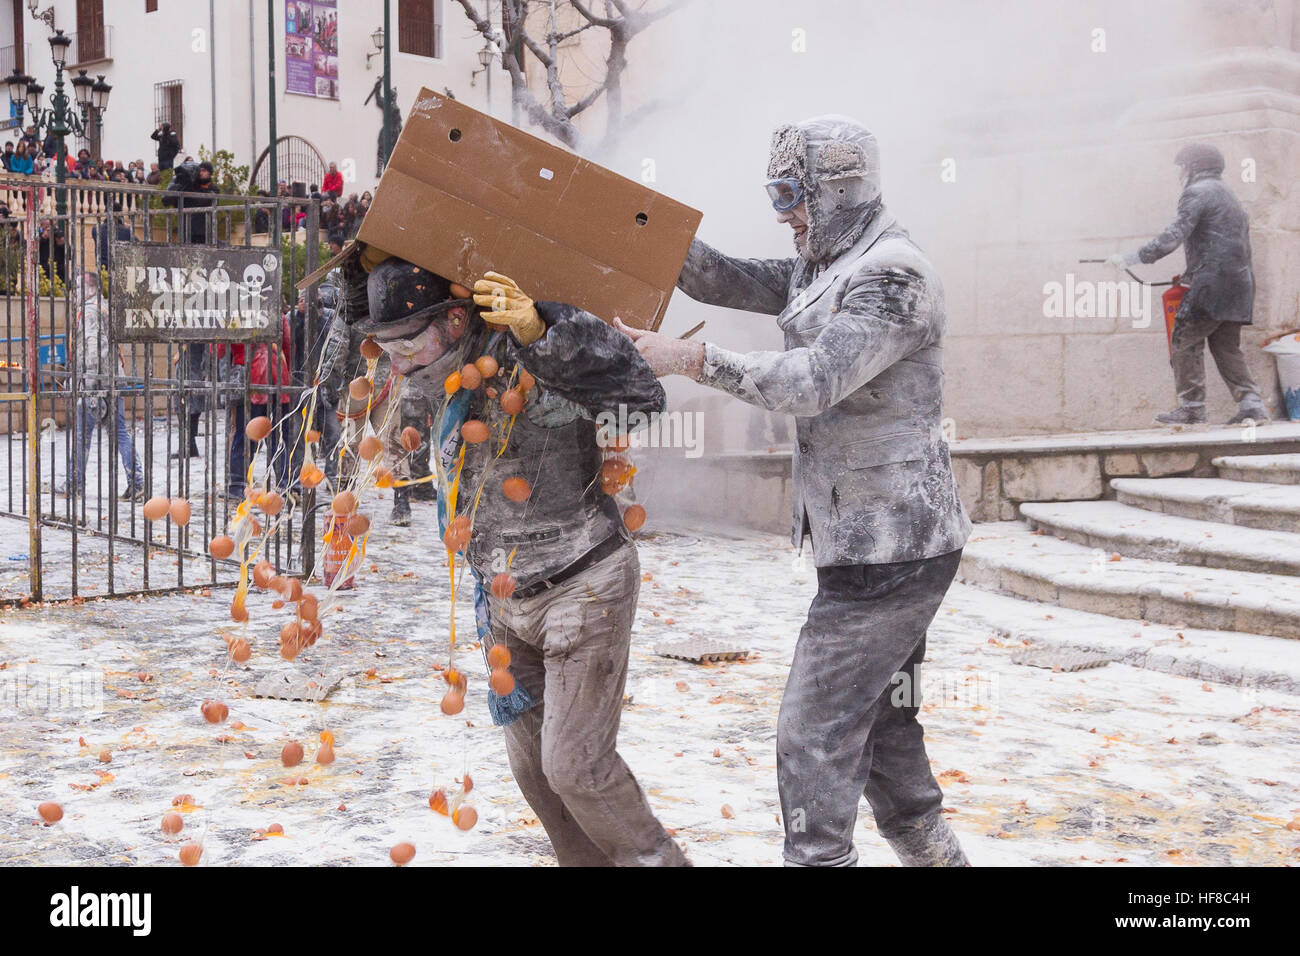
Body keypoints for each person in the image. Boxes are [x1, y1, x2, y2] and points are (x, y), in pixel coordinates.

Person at [617, 116, 973, 867]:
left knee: (812, 734)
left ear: (837, 190)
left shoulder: (891, 275)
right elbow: (725, 278)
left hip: (894, 550)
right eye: (774, 192)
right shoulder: (826, 262)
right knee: (882, 731)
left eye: (791, 192)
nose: (782, 211)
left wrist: (688, 357)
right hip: (869, 545)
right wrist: (638, 223)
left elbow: (814, 381)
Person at [350, 248, 685, 866]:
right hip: (506, 601)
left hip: (583, 584)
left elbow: (643, 397)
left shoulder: (529, 352)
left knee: (575, 766)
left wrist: (543, 331)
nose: (396, 361)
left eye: (407, 343)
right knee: (536, 775)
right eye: (385, 346)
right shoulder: (439, 374)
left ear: (454, 322)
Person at [1106, 143, 1269, 425]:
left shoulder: (1197, 192)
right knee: (1227, 347)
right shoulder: (1230, 196)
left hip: (1211, 285)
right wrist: (1192, 273)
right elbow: (1223, 245)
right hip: (1239, 284)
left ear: (1194, 167)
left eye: (1182, 166)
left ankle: (1192, 406)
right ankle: (1252, 404)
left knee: (1184, 338)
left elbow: (1174, 235)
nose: (1180, 173)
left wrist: (1132, 257)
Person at [61, 272, 146, 501]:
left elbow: (93, 348)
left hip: (96, 383)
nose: (74, 293)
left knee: (82, 434)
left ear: (90, 289)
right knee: (119, 433)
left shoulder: (89, 312)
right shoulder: (106, 308)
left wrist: (86, 383)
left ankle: (74, 483)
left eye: (78, 288)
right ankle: (137, 481)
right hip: (111, 379)